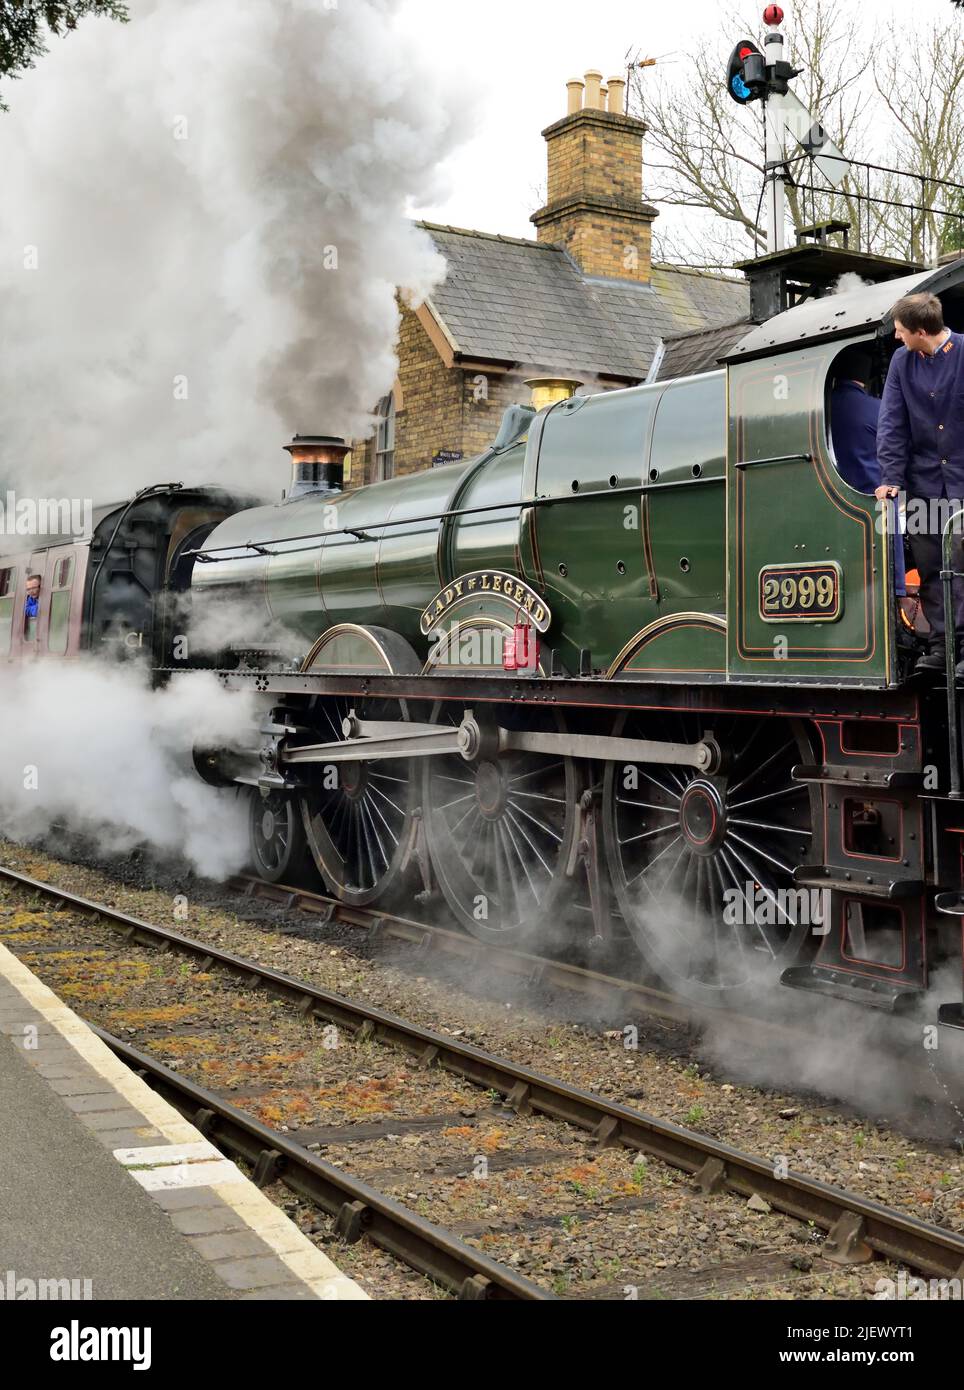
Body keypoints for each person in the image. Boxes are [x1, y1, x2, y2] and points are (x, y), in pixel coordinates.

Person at [876, 292, 964, 674]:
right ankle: (943, 646)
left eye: (900, 331)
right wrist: (891, 479)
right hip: (925, 483)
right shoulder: (901, 361)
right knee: (931, 567)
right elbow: (891, 422)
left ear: (921, 331)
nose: (897, 337)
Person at [831, 345, 905, 595]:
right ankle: (898, 591)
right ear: (864, 378)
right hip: (876, 496)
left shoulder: (826, 405)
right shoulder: (875, 408)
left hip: (837, 497)